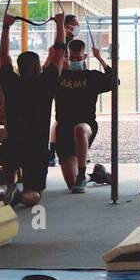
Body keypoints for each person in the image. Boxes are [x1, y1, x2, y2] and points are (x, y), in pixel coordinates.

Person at [0, 14, 63, 207]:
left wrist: (5, 27)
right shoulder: (46, 83)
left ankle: (11, 183)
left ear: (19, 67)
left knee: (8, 149)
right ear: (37, 67)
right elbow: (59, 54)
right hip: (37, 148)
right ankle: (21, 196)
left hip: (13, 142)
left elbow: (4, 57)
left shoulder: (11, 82)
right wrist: (60, 24)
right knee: (35, 195)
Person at [53, 38, 114, 193]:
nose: (75, 61)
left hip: (86, 125)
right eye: (71, 58)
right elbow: (44, 74)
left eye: (78, 58)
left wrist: (100, 58)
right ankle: (95, 176)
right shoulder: (59, 76)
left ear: (85, 57)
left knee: (79, 129)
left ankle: (81, 173)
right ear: (66, 57)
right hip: (64, 129)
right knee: (72, 185)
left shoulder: (91, 76)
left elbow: (114, 81)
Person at [48, 13, 80, 166]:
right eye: (75, 24)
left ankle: (74, 150)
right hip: (62, 80)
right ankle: (52, 151)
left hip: (75, 80)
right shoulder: (62, 42)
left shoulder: (73, 41)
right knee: (61, 118)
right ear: (67, 26)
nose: (78, 27)